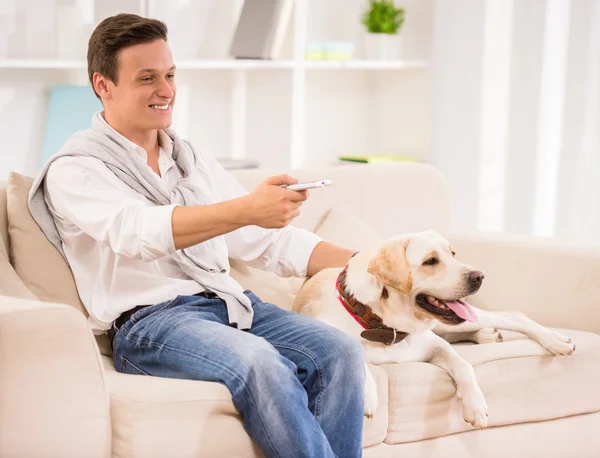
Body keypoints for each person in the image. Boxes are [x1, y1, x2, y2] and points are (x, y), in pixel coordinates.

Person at [28, 13, 366, 458]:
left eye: (169, 75)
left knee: (339, 352)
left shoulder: (189, 160)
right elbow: (138, 233)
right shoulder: (75, 168)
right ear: (103, 85)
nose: (165, 90)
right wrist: (246, 209)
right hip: (150, 324)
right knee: (260, 362)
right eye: (147, 78)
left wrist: (370, 263)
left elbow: (268, 242)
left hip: (226, 304)